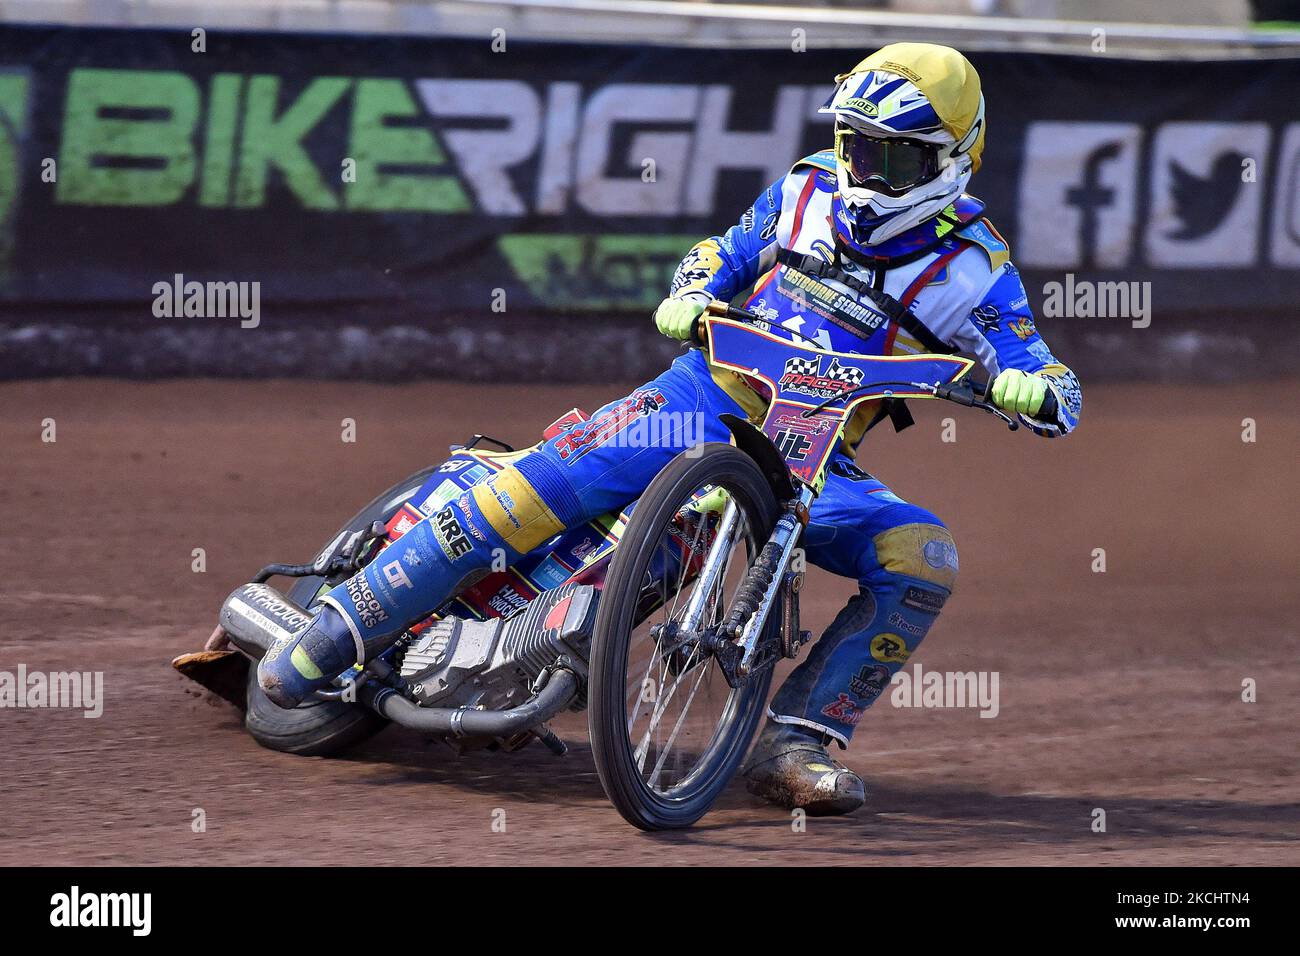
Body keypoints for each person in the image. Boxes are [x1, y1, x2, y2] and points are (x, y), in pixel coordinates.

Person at [257, 42, 1081, 816]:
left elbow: (1057, 385)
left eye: (889, 157)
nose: (863, 172)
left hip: (817, 459)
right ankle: (335, 632)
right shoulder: (805, 189)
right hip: (698, 397)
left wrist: (1031, 391)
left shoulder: (979, 267)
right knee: (525, 493)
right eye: (854, 146)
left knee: (923, 556)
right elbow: (720, 252)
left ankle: (795, 744)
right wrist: (691, 292)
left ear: (951, 158)